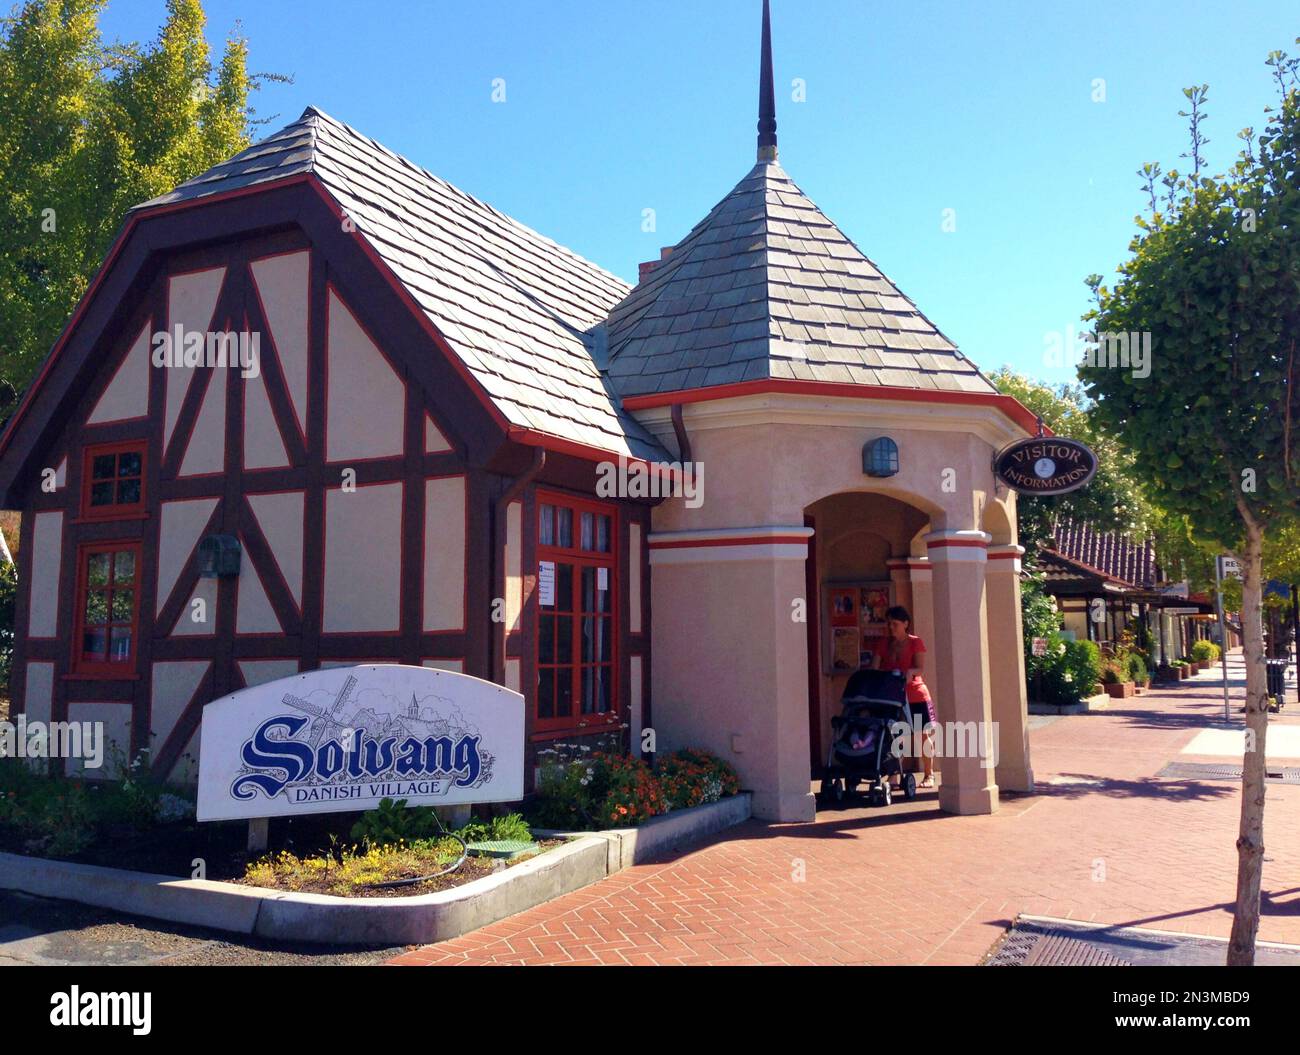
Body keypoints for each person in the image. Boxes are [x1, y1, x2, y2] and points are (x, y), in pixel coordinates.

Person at [869, 605, 936, 788]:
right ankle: (894, 775)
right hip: (892, 696)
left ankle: (929, 774)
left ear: (906, 624)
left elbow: (920, 668)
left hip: (915, 694)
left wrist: (908, 673)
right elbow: (874, 668)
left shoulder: (916, 642)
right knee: (897, 735)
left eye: (896, 624)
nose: (892, 628)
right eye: (890, 624)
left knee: (922, 734)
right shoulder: (884, 643)